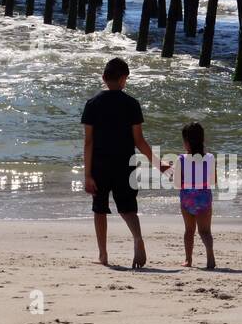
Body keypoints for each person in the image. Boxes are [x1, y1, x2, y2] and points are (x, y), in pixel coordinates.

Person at [81, 58, 168, 268]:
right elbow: (139, 141)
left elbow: (88, 142)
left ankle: (103, 255)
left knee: (99, 209)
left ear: (103, 78)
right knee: (128, 207)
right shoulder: (132, 104)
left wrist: (87, 175)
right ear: (123, 79)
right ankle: (137, 238)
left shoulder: (92, 104)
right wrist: (158, 163)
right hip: (125, 164)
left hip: (100, 165)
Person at [176, 122, 216, 269]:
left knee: (189, 230)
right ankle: (210, 256)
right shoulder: (210, 157)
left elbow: (178, 183)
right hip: (204, 197)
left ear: (186, 142)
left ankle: (188, 260)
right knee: (205, 231)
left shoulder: (181, 159)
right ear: (202, 139)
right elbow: (213, 181)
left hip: (187, 198)